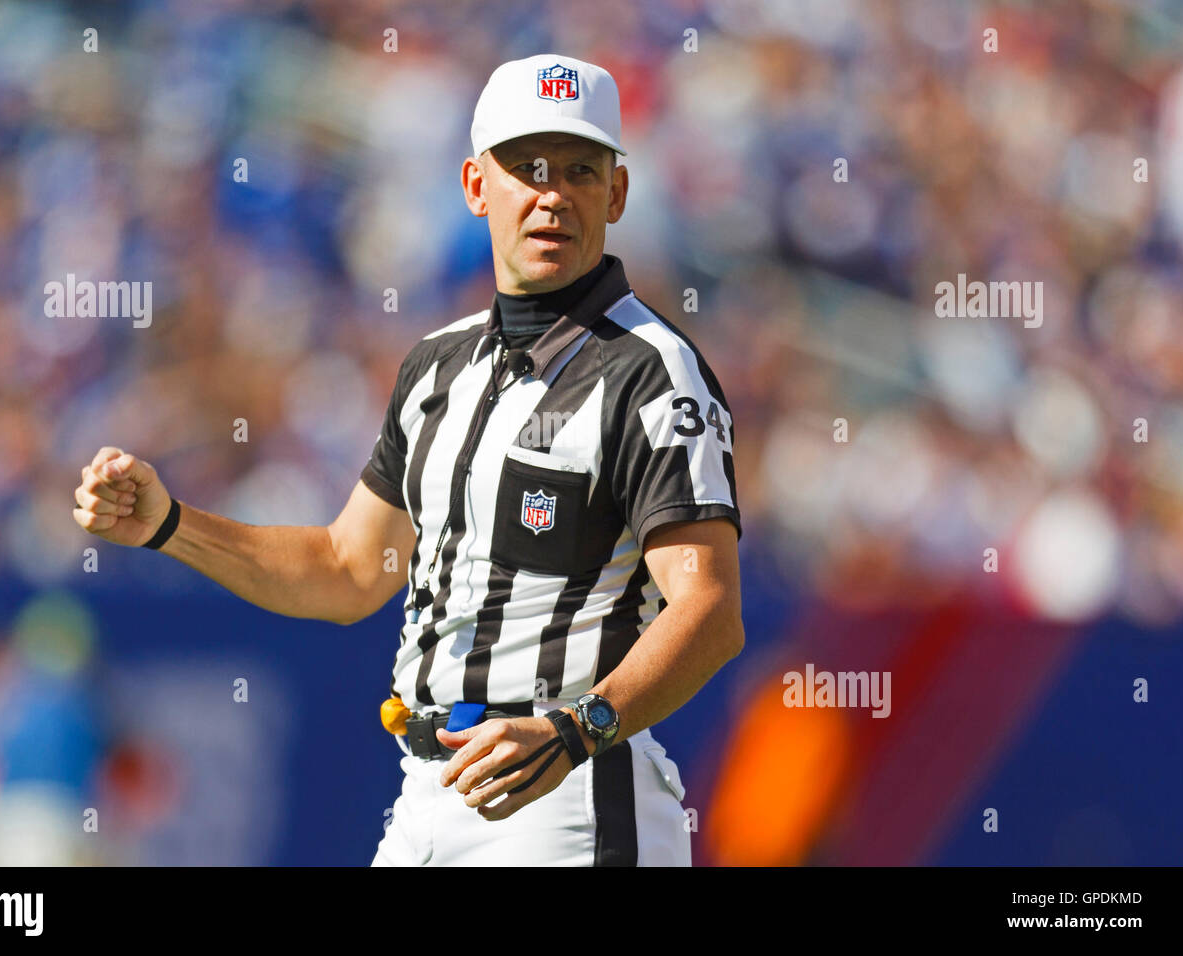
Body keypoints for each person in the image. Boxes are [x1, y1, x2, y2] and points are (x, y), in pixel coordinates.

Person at [73, 53, 744, 866]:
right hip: (427, 792)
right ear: (473, 186)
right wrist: (170, 526)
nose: (552, 194)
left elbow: (708, 607)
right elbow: (347, 570)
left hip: (567, 796)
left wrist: (579, 728)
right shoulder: (437, 366)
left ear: (618, 192)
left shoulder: (649, 369)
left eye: (578, 169)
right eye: (526, 168)